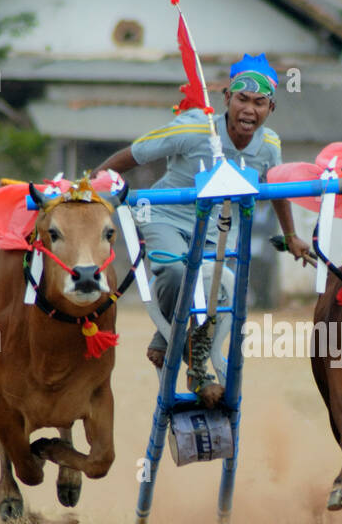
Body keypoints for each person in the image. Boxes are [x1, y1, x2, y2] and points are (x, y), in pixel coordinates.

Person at [92, 52, 312, 406]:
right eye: (242, 99)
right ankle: (195, 364)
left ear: (271, 109)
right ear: (227, 99)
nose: (249, 109)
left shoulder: (269, 145)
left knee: (221, 293)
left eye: (259, 102)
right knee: (178, 272)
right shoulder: (195, 128)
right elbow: (133, 155)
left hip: (219, 229)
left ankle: (167, 340)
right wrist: (90, 188)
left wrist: (291, 236)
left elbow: (276, 187)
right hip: (165, 214)